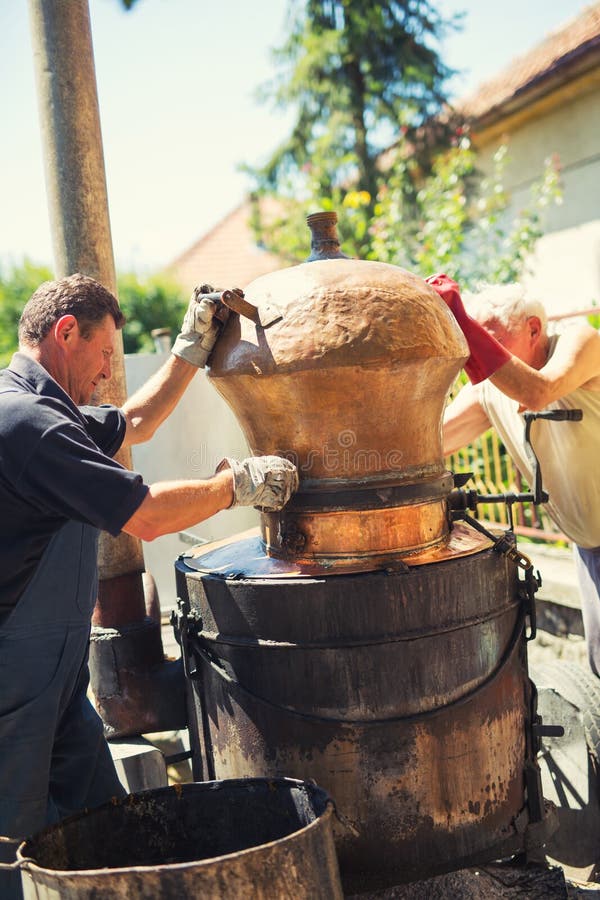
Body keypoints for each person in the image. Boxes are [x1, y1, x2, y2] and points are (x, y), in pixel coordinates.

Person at [0, 273, 298, 853]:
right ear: (66, 332)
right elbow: (148, 516)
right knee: (14, 850)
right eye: (106, 352)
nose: (110, 371)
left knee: (104, 831)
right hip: (11, 693)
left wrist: (190, 348)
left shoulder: (45, 414)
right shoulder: (24, 424)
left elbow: (134, 423)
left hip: (57, 692)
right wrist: (237, 484)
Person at [432, 276, 600, 676]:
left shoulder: (582, 342)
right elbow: (432, 441)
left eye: (487, 341)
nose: (481, 356)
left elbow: (539, 391)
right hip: (588, 544)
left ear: (534, 329)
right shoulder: (492, 390)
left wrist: (461, 317)